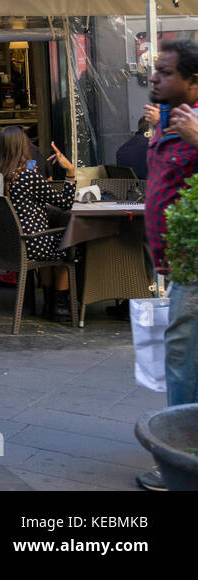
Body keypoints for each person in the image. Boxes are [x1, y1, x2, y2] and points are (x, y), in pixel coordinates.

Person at [137, 40, 198, 490]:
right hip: (180, 262)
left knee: (182, 357)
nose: (155, 78)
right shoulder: (170, 121)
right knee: (184, 356)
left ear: (193, 81)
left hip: (195, 262)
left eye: (165, 72)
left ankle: (179, 459)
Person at [0, 125, 77, 316]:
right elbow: (65, 203)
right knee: (68, 243)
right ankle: (59, 306)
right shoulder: (27, 176)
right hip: (30, 242)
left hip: (4, 244)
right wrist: (70, 171)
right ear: (22, 146)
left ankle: (48, 303)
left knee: (51, 242)